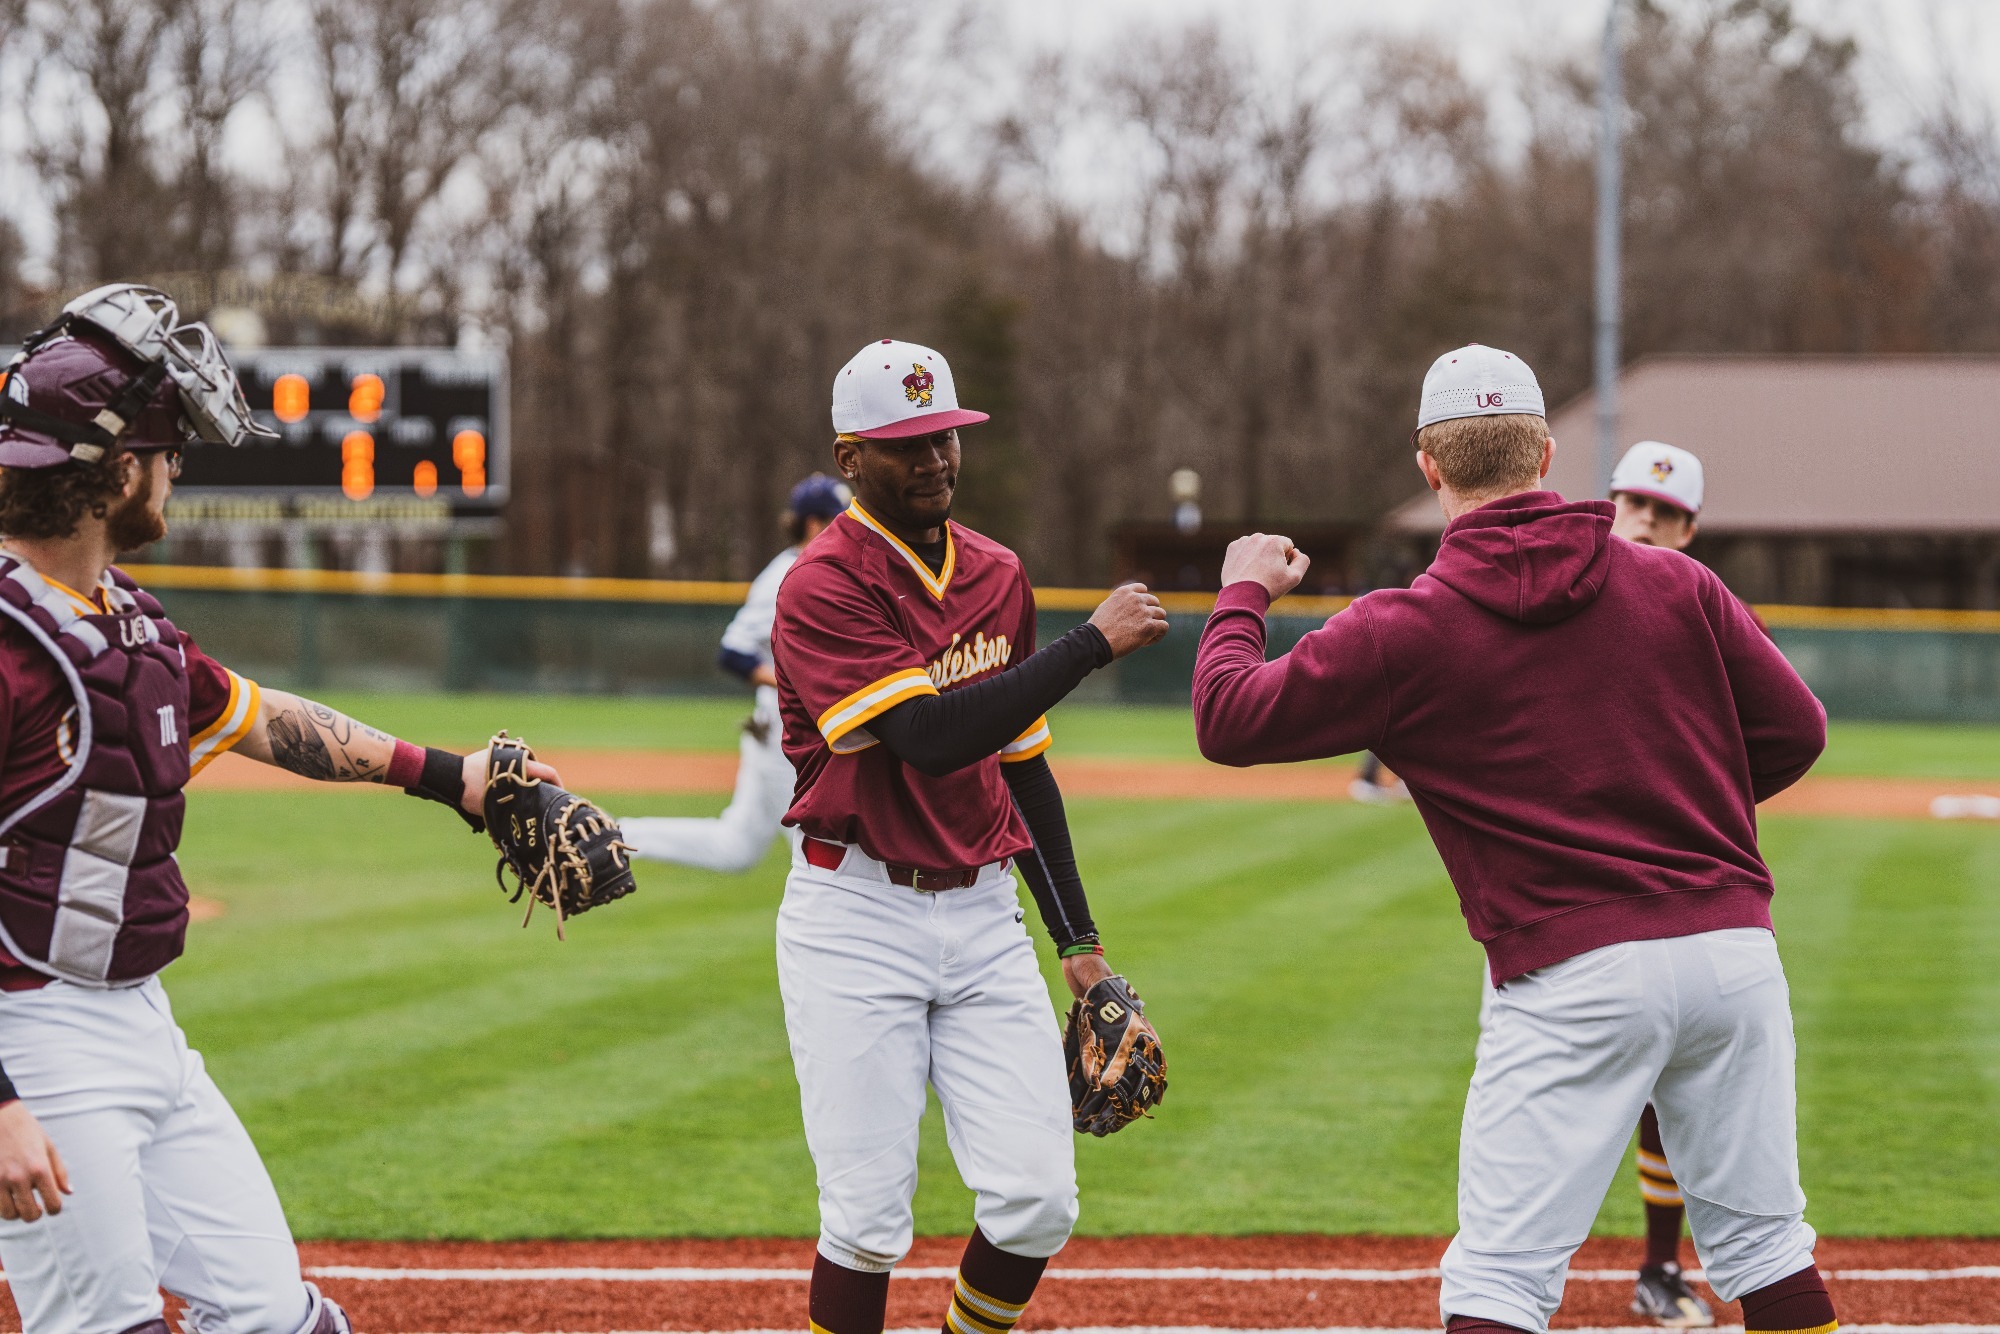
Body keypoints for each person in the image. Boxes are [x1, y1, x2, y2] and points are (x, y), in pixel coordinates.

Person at [1191, 343, 1836, 1334]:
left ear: (1427, 466)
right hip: (1730, 953)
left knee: (1497, 1280)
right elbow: (1797, 730)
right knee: (1765, 1252)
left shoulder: (1401, 625)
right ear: (1543, 453)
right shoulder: (1675, 583)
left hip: (1569, 965)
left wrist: (1241, 590)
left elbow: (1227, 718)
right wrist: (1675, 810)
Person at [0, 284, 556, 1334]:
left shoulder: (126, 627)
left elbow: (266, 720)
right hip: (30, 1032)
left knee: (275, 1318)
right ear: (117, 470)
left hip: (145, 1025)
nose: (175, 471)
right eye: (168, 452)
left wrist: (454, 777)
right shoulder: (9, 646)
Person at [771, 339, 1167, 1334]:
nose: (935, 458)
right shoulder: (822, 584)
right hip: (855, 912)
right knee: (864, 1222)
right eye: (906, 444)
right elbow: (931, 737)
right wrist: (1089, 644)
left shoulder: (996, 572)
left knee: (1038, 1201)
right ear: (850, 456)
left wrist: (1077, 942)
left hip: (985, 912)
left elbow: (1019, 765)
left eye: (944, 435)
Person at [1608, 438, 1712, 1326]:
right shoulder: (1561, 602)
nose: (1646, 519)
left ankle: (1659, 1269)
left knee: (1674, 1096)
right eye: (1635, 502)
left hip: (1681, 893)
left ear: (1689, 530)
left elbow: (1789, 732)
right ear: (1608, 504)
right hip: (1569, 904)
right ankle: (1497, 1274)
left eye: (1666, 511)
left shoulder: (1705, 612)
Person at [621, 474, 849, 872]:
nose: (848, 528)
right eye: (839, 519)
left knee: (736, 848)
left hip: (792, 731)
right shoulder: (784, 576)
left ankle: (619, 835)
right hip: (782, 734)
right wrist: (795, 683)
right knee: (820, 850)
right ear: (814, 524)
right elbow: (733, 652)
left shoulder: (825, 570)